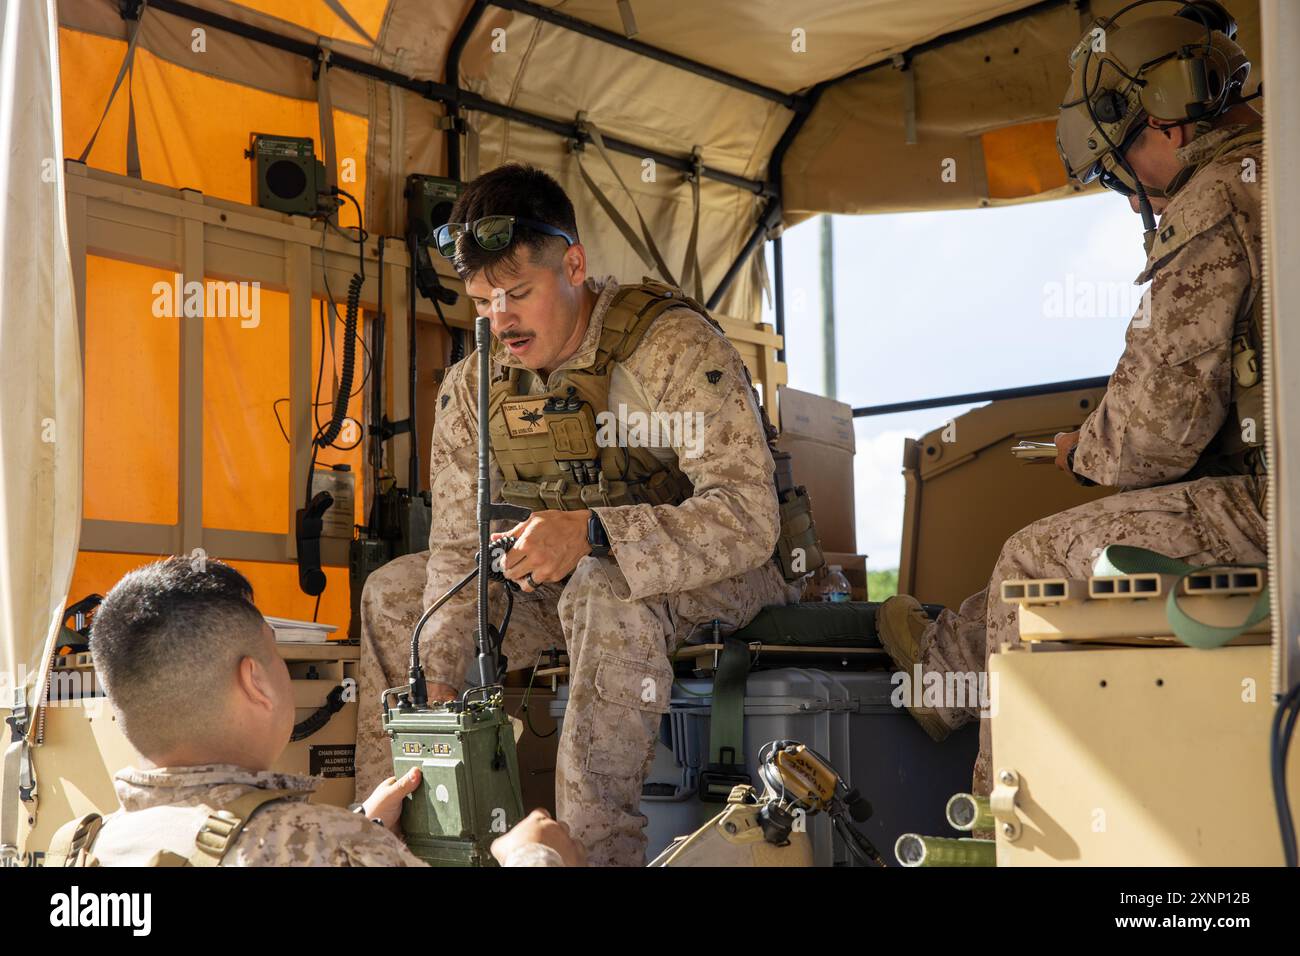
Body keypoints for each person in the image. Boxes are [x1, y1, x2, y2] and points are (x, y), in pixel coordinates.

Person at [357, 162, 804, 865]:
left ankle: (591, 855)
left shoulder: (670, 347)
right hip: (570, 584)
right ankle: (390, 844)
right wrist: (436, 668)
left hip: (721, 573)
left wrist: (596, 532)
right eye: (480, 301)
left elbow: (748, 517)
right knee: (396, 596)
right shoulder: (475, 384)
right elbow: (453, 551)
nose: (498, 319)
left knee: (604, 583)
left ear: (574, 264)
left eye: (517, 294)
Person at [875, 2, 1267, 795]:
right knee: (1067, 548)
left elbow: (1150, 440)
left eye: (1125, 165)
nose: (1134, 197)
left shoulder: (1212, 201)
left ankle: (997, 825)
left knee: (1029, 560)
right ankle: (942, 670)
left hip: (1275, 514)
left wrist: (1085, 452)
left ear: (1168, 121)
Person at [46, 556, 581, 867]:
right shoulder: (333, 847)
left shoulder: (77, 846)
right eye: (273, 653)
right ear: (255, 681)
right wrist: (531, 855)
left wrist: (361, 823)